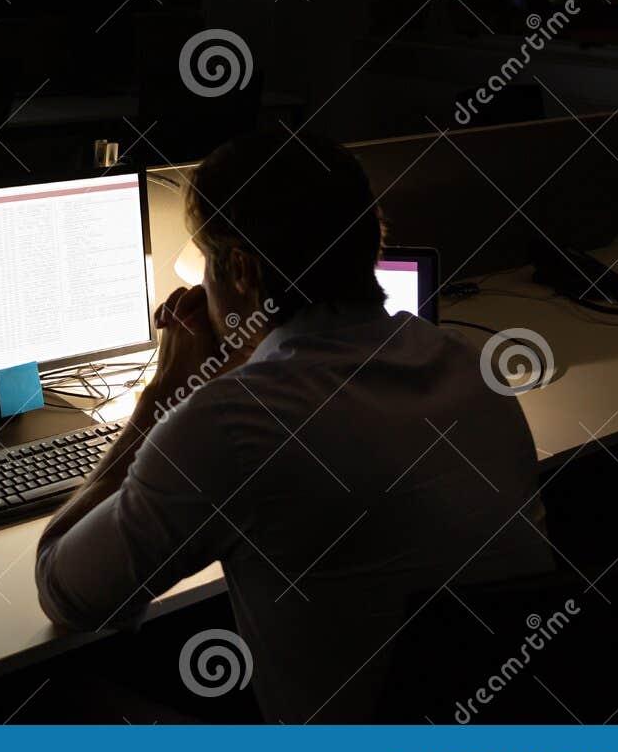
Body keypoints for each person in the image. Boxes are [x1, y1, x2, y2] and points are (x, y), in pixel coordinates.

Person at [35, 133, 552, 722]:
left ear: (241, 272)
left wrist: (164, 397)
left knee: (56, 693)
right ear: (371, 240)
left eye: (206, 259)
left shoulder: (229, 425)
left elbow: (65, 591)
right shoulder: (471, 364)